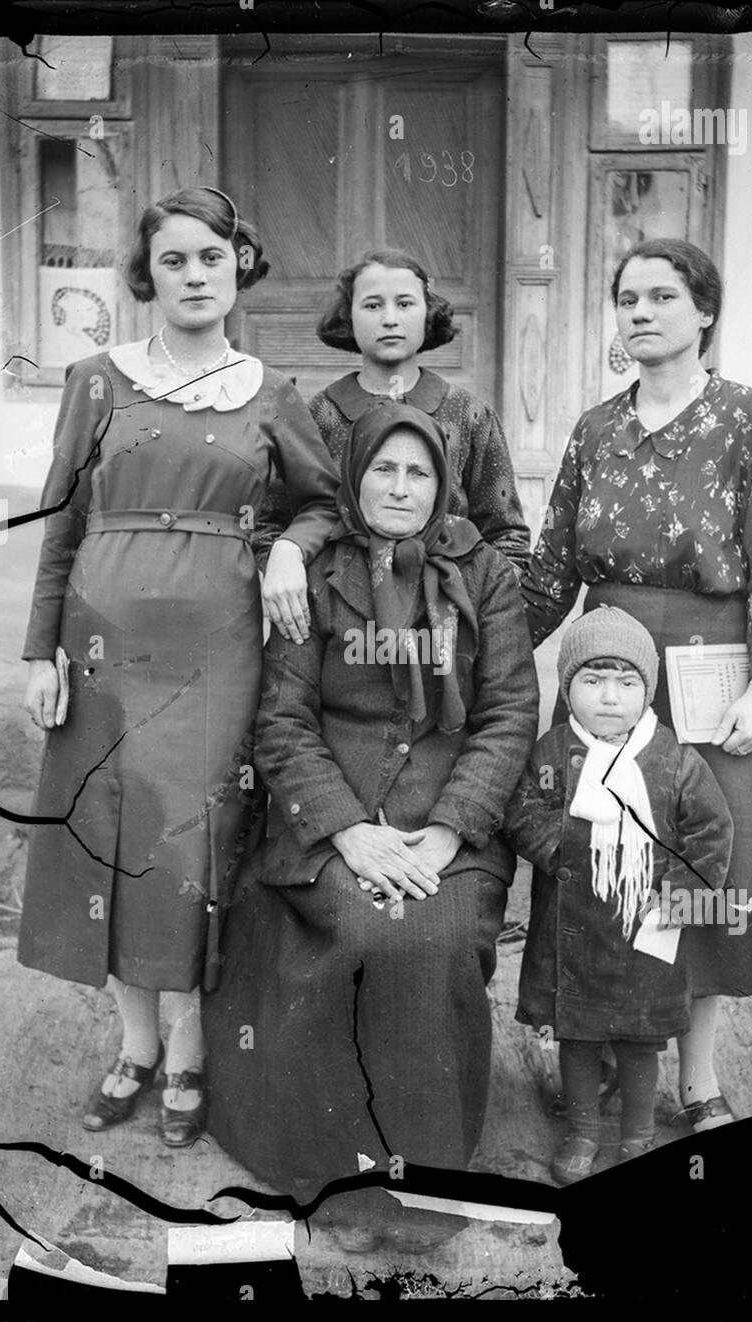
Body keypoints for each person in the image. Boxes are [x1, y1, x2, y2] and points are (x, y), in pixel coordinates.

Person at [18, 186, 339, 1147]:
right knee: (111, 841)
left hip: (218, 651)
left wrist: (287, 547)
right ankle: (133, 1047)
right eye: (174, 261)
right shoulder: (95, 381)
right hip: (102, 650)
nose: (195, 275)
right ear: (146, 276)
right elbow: (61, 519)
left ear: (238, 265)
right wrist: (40, 649)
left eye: (212, 256)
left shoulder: (272, 392)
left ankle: (192, 1051)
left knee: (193, 847)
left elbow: (324, 504)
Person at [202, 400, 539, 1251]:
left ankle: (422, 1192)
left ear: (443, 482)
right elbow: (281, 721)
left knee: (427, 939)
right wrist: (347, 829)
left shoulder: (486, 576)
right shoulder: (318, 575)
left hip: (446, 825)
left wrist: (453, 829)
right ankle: (341, 1185)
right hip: (329, 821)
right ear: (354, 479)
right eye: (382, 469)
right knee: (361, 931)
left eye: (418, 470)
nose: (400, 485)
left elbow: (506, 717)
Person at [521, 238, 752, 1133]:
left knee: (700, 868)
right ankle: (599, 1056)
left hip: (710, 669)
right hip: (608, 669)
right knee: (601, 863)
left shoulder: (745, 417)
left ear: (704, 312)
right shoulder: (595, 429)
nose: (639, 313)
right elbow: (551, 570)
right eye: (626, 298)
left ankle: (699, 1079)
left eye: (661, 297)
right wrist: (489, 664)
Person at [505, 607, 734, 1184]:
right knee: (577, 1038)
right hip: (574, 926)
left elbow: (711, 833)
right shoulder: (553, 756)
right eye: (592, 680)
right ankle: (582, 1129)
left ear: (647, 690)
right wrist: (563, 849)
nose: (610, 698)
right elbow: (523, 810)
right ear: (568, 688)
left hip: (645, 931)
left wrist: (679, 894)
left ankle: (638, 1134)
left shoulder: (675, 762)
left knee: (640, 1041)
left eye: (626, 683)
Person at [258, 248, 531, 572]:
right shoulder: (316, 416)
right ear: (349, 316)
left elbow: (505, 536)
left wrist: (482, 602)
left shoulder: (469, 414)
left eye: (404, 304)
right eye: (373, 305)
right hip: (338, 607)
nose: (390, 319)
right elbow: (270, 527)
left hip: (448, 610)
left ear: (427, 313)